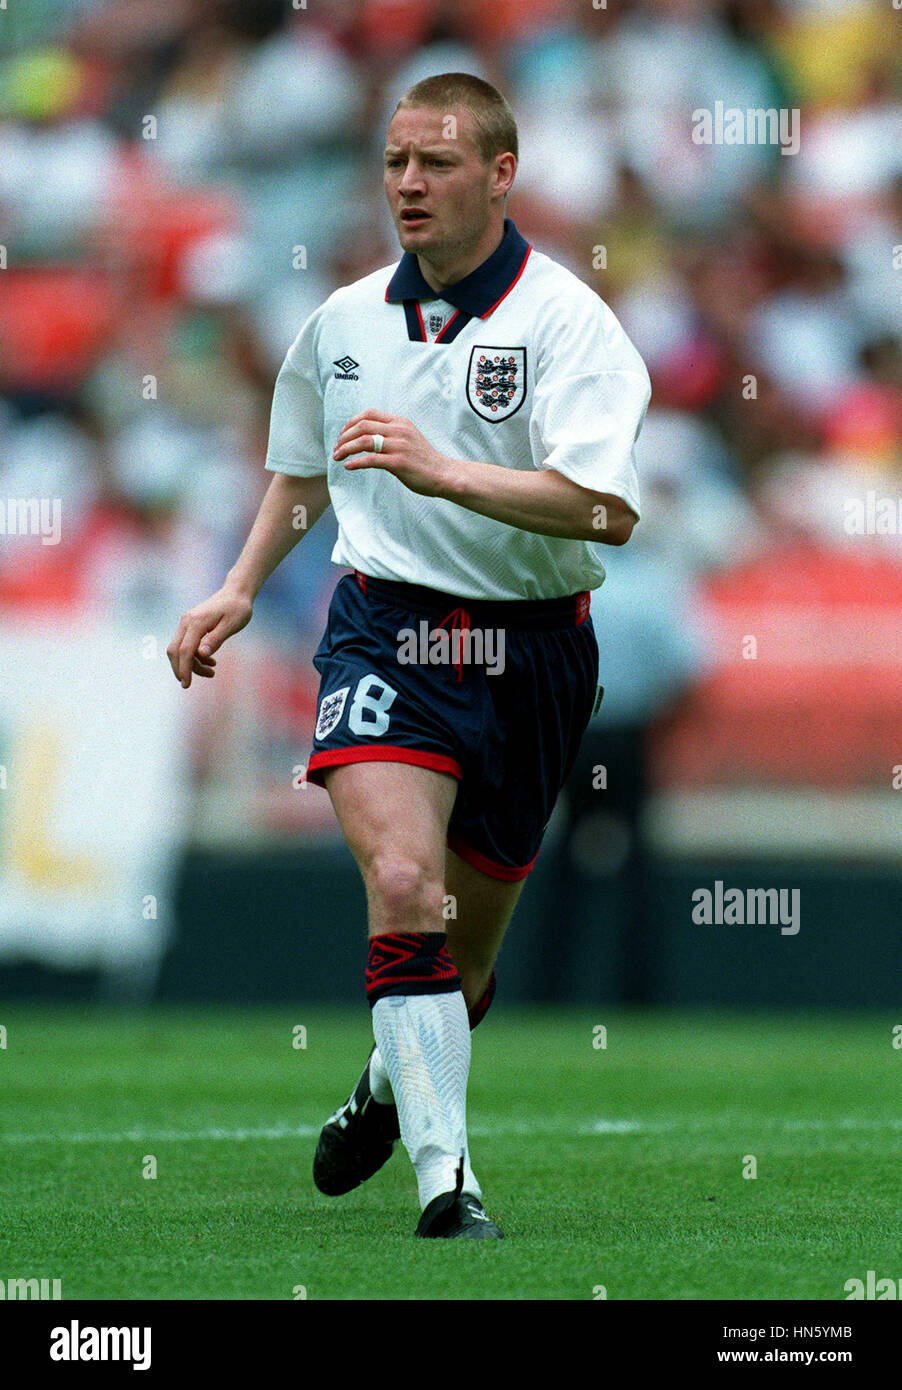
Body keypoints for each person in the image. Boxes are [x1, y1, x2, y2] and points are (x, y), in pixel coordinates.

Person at [167, 72, 650, 1239]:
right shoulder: (342, 319)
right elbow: (303, 465)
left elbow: (605, 513)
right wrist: (238, 586)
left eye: (434, 164)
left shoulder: (567, 322)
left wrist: (444, 471)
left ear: (498, 174)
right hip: (387, 627)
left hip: (530, 650)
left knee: (459, 960)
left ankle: (388, 1080)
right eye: (393, 162)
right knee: (399, 886)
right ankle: (448, 1184)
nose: (407, 184)